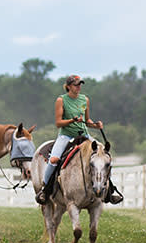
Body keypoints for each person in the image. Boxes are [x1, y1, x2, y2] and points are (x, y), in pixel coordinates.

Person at [37, 74, 103, 205]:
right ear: (68, 87)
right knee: (54, 159)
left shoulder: (85, 99)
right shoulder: (61, 100)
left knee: (103, 155)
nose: (79, 87)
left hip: (84, 135)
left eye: (80, 84)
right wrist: (72, 120)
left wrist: (95, 125)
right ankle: (45, 189)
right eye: (76, 84)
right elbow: (58, 123)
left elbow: (87, 120)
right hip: (66, 136)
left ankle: (109, 191)